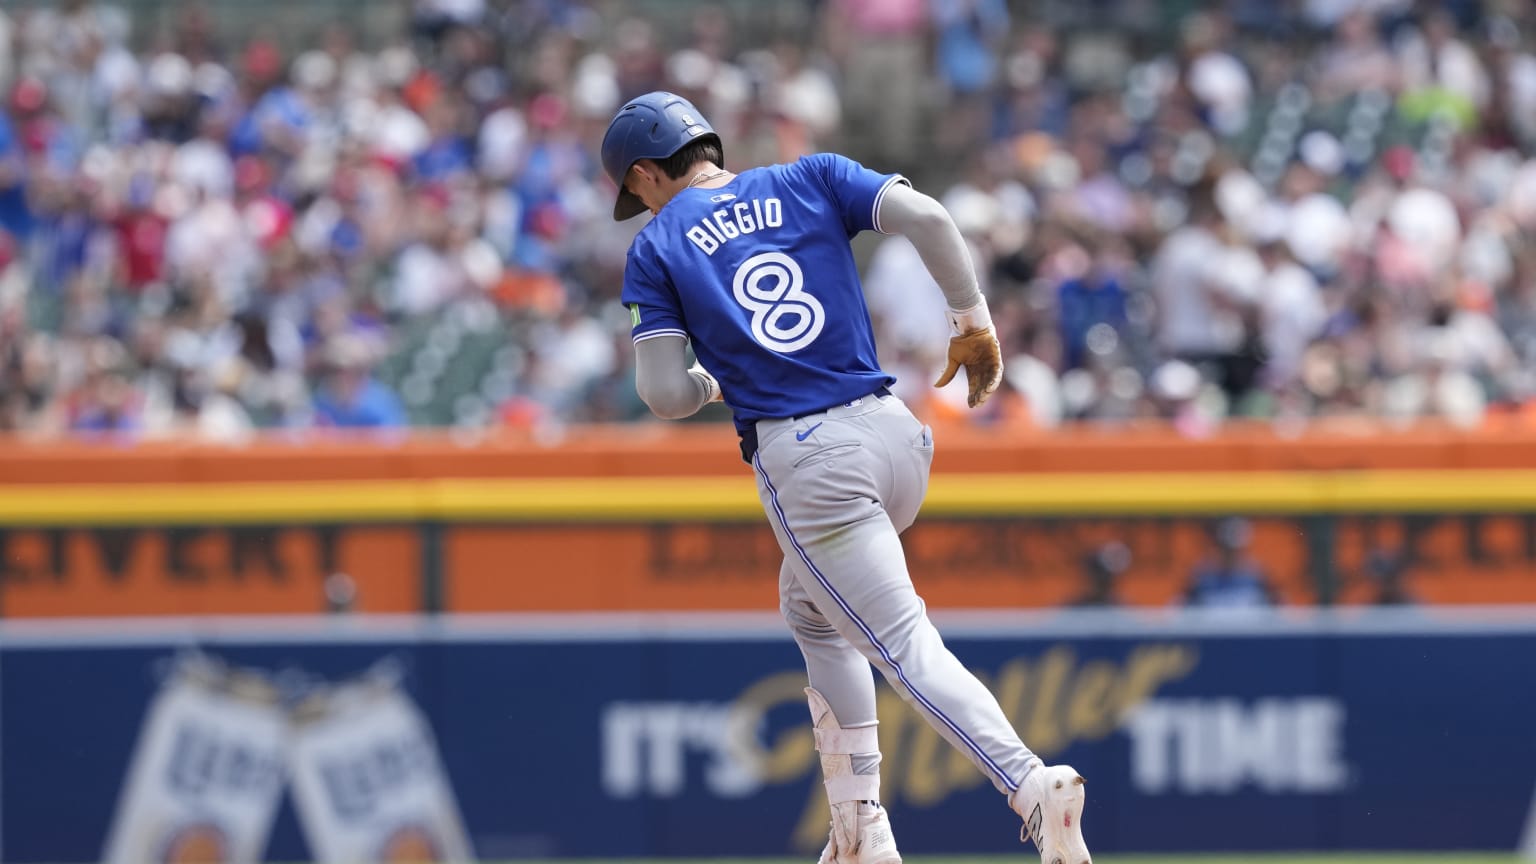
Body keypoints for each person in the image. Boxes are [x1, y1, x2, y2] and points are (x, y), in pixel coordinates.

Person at [601, 91, 1091, 864]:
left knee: (901, 646)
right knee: (812, 610)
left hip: (811, 458)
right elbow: (930, 216)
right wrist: (972, 322)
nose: (640, 205)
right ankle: (861, 827)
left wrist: (713, 384)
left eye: (636, 191)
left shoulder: (657, 245)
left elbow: (662, 395)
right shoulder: (809, 175)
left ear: (644, 174)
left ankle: (1029, 784)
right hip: (895, 437)